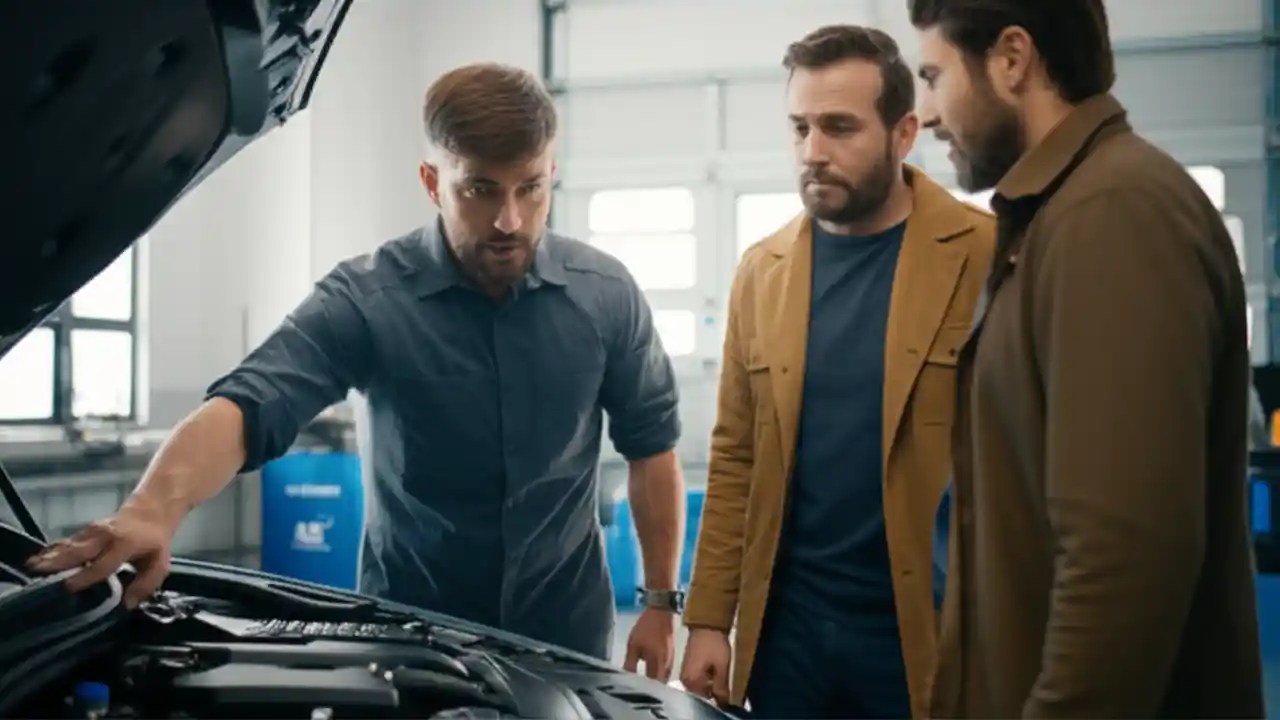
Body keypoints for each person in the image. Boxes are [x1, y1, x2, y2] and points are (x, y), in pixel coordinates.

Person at [26, 62, 689, 680]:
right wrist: (153, 509)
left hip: (564, 633)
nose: (509, 220)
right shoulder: (369, 300)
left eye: (531, 189)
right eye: (480, 190)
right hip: (414, 633)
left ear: (552, 175)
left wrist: (659, 601)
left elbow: (652, 448)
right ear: (433, 182)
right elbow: (254, 402)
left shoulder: (605, 296)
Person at [909, 1, 1266, 717]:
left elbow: (1122, 563)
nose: (928, 113)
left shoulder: (1114, 216)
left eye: (933, 75)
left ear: (1012, 59)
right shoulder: (1055, 218)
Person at [678, 25, 995, 719]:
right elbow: (735, 457)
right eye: (800, 128)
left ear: (904, 132)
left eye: (840, 128)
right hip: (789, 637)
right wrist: (708, 617)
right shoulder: (763, 274)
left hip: (927, 632)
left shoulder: (985, 255)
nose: (812, 152)